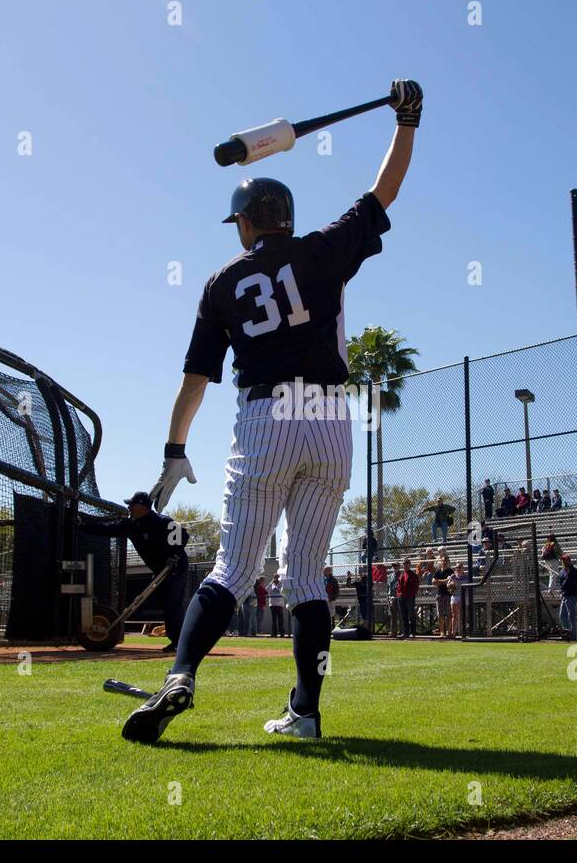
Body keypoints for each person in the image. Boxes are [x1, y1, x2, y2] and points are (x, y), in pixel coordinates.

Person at [121, 79, 422, 744]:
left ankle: (179, 677)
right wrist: (407, 121)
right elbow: (385, 192)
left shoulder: (222, 283)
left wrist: (175, 450)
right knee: (305, 578)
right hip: (329, 416)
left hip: (264, 420)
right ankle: (306, 713)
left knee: (233, 570)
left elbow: (195, 382)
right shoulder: (323, 251)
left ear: (247, 223)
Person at [85, 490, 190, 653]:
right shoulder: (131, 525)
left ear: (142, 506)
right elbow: (108, 529)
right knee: (165, 604)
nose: (129, 507)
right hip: (160, 570)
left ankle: (180, 643)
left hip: (175, 570)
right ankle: (178, 640)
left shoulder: (162, 522)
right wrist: (83, 526)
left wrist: (173, 556)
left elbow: (182, 535)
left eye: (131, 504)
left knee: (172, 605)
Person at [557, 553, 577, 639]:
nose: (563, 562)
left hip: (572, 595)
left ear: (569, 561)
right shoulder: (562, 571)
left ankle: (573, 635)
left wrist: (569, 573)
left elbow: (576, 582)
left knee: (571, 616)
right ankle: (567, 632)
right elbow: (561, 582)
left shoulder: (574, 571)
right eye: (562, 560)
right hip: (564, 595)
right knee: (562, 616)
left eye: (565, 560)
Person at [396, 557, 420, 638]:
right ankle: (406, 632)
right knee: (404, 615)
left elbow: (416, 586)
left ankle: (413, 632)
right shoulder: (401, 574)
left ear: (409, 565)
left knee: (411, 615)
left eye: (406, 563)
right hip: (401, 597)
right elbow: (399, 586)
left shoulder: (413, 575)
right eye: (404, 564)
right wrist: (398, 594)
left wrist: (412, 594)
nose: (405, 565)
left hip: (409, 597)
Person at [432, 554, 454, 638]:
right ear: (441, 561)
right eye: (443, 560)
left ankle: (448, 631)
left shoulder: (451, 571)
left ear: (448, 562)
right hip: (439, 595)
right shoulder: (438, 571)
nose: (444, 562)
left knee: (449, 614)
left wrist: (440, 582)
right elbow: (433, 582)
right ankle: (442, 632)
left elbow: (451, 582)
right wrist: (444, 581)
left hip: (448, 595)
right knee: (440, 614)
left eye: (446, 560)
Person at [449, 562, 468, 637]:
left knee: (463, 615)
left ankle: (464, 632)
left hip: (463, 596)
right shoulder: (453, 576)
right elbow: (448, 585)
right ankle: (453, 633)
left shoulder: (466, 577)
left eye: (459, 567)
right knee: (454, 615)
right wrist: (451, 585)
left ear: (463, 568)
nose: (458, 569)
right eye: (457, 568)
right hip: (455, 596)